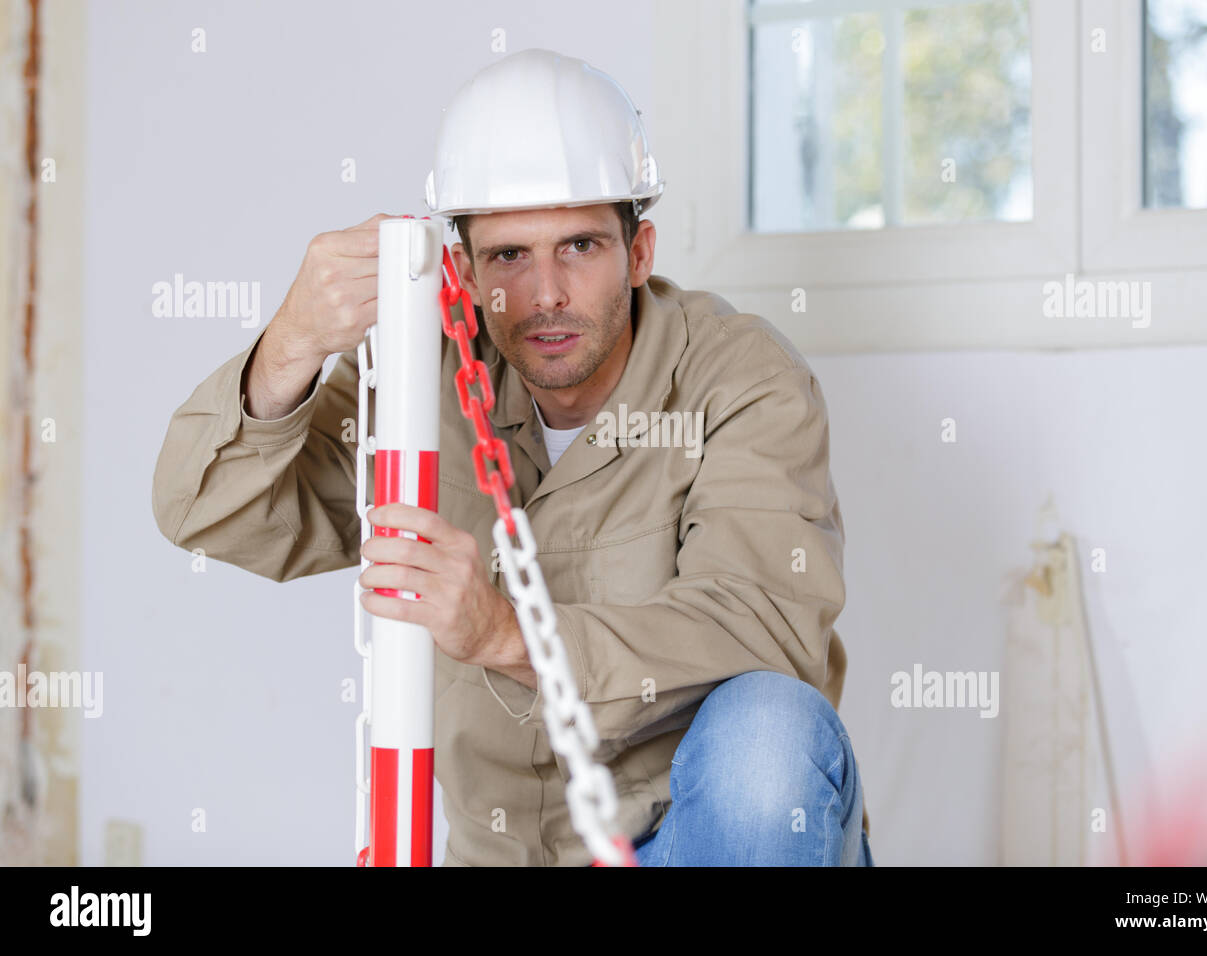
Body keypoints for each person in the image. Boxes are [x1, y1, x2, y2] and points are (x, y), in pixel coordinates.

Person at [151, 48, 873, 867]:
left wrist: (505, 632)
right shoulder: (423, 376)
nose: (547, 294)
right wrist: (294, 343)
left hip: (683, 844)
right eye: (508, 257)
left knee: (771, 734)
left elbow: (759, 629)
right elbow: (204, 511)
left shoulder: (743, 379)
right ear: (460, 266)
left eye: (580, 246)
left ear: (639, 254)